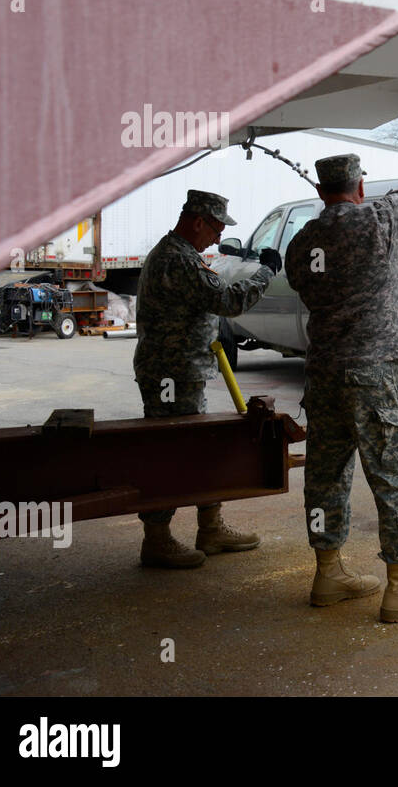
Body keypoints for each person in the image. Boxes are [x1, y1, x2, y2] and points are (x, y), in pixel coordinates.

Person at [285, 147, 398, 623]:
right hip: (375, 372)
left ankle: (328, 573)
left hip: (322, 374)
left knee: (324, 474)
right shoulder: (378, 219)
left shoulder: (303, 241)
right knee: (397, 476)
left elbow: (303, 285)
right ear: (360, 187)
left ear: (321, 192)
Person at [133, 189, 278, 568]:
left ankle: (210, 527)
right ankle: (157, 538)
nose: (217, 238)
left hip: (182, 372)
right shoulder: (177, 259)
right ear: (197, 221)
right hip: (171, 375)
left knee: (200, 447)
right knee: (169, 454)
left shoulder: (177, 254)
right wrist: (267, 272)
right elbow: (229, 301)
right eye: (215, 229)